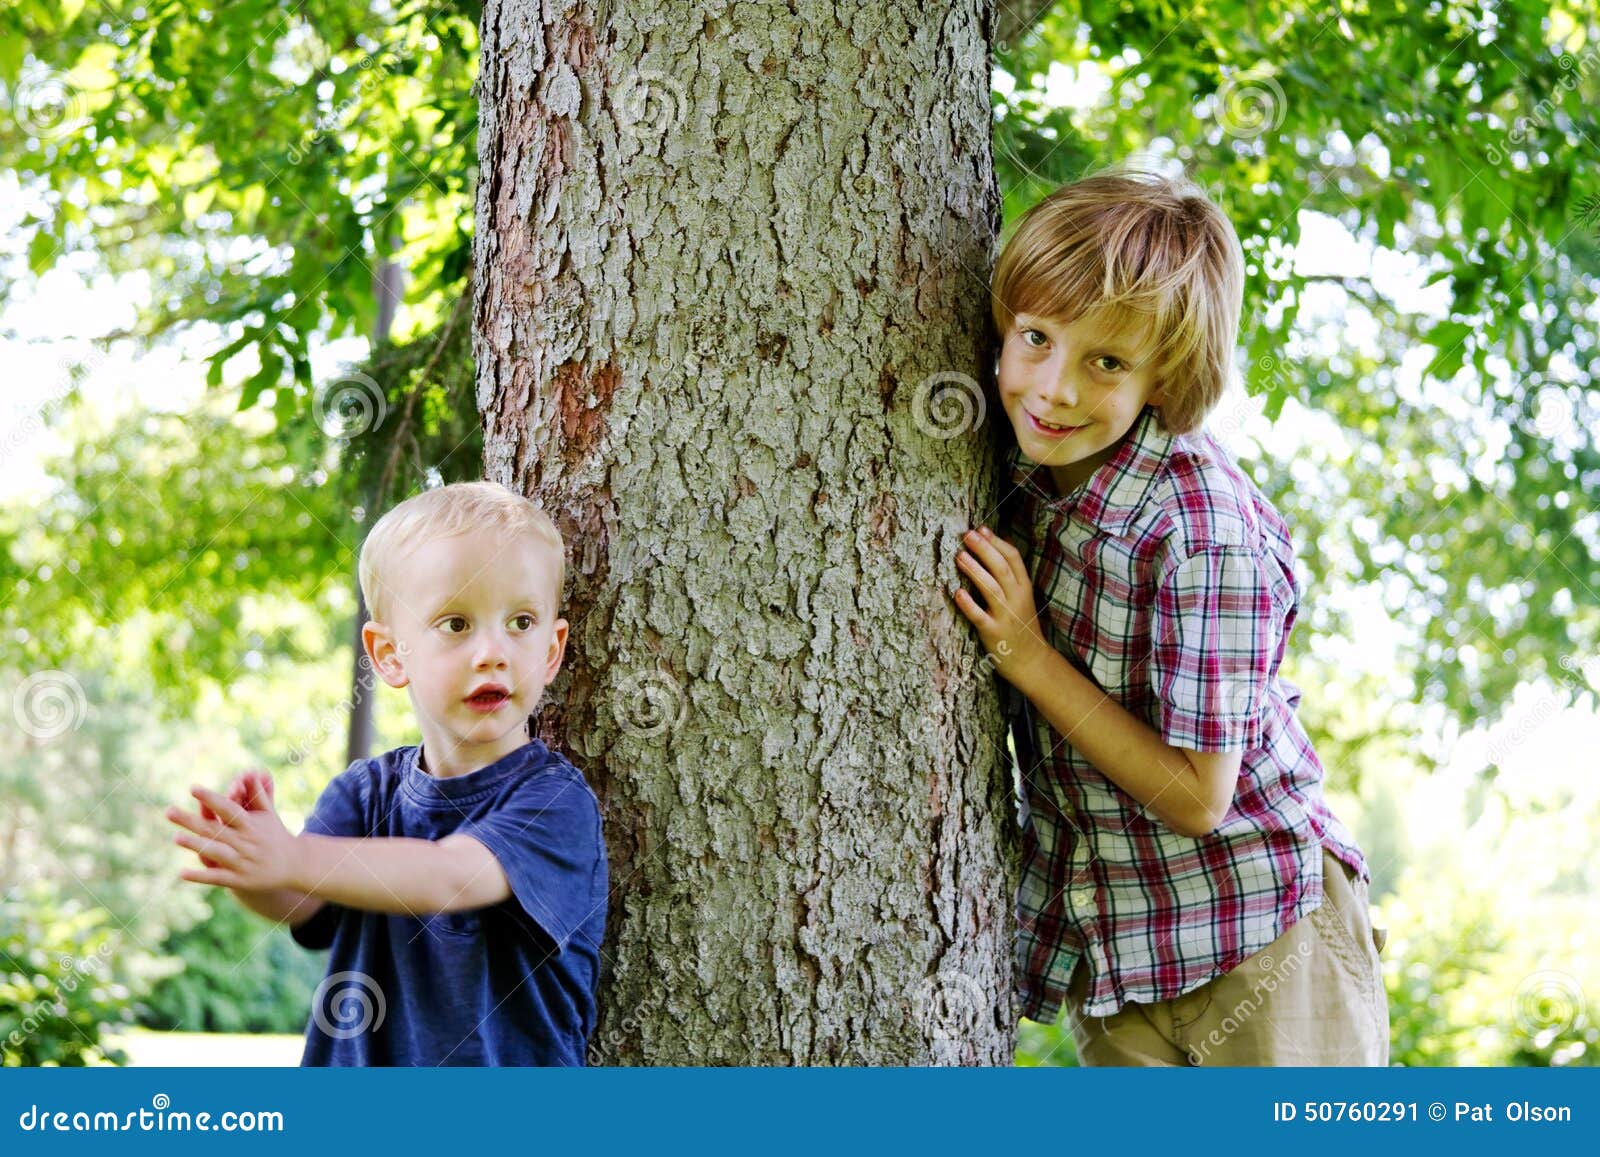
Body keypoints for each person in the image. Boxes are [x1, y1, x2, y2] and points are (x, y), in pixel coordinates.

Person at [951, 167, 1389, 1065]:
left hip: (1265, 936)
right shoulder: (1027, 473)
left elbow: (1199, 795)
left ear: (1163, 378)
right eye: (1035, 338)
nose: (1055, 389)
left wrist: (1027, 655)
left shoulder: (1202, 535)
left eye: (1105, 362)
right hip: (1124, 951)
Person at [165, 481, 607, 1066]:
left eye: (521, 622)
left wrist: (294, 857)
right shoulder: (365, 793)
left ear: (552, 651)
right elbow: (301, 903)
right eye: (456, 624)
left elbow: (453, 877)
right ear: (390, 655)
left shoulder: (554, 801)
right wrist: (253, 862)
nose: (493, 652)